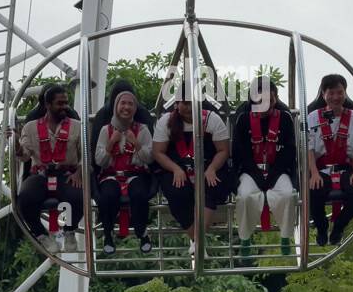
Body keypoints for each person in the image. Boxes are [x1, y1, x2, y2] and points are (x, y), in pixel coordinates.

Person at [152, 91, 231, 256]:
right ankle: (198, 242)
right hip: (176, 168)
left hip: (208, 166)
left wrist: (212, 168)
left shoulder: (212, 120)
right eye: (184, 103)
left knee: (212, 185)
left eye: (192, 102)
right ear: (177, 104)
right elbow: (158, 152)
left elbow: (223, 150)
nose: (188, 107)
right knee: (176, 192)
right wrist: (175, 169)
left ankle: (197, 241)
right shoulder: (166, 122)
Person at [232, 78, 297, 265]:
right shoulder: (244, 120)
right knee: (244, 196)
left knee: (287, 194)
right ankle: (245, 238)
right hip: (251, 170)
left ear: (275, 99)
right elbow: (239, 152)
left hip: (277, 169)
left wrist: (273, 175)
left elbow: (289, 150)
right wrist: (257, 175)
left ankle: (285, 237)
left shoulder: (284, 119)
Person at [15, 85, 84, 254]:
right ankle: (41, 235)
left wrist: (79, 173)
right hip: (41, 174)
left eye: (66, 103)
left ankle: (69, 231)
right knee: (24, 199)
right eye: (60, 103)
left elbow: (85, 155)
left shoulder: (77, 126)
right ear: (47, 105)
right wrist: (16, 143)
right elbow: (24, 156)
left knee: (78, 196)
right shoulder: (30, 128)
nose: (64, 107)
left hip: (67, 173)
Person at [306, 74, 353, 246]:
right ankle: (321, 227)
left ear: (345, 93)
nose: (336, 97)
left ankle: (339, 227)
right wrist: (313, 174)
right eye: (331, 93)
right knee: (313, 191)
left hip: (346, 167)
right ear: (324, 95)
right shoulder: (312, 118)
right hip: (321, 168)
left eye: (339, 92)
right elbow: (309, 149)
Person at [94, 90, 155, 255]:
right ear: (116, 106)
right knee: (107, 195)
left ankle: (142, 232)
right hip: (110, 174)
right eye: (123, 103)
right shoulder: (105, 131)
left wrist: (135, 143)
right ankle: (108, 233)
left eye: (131, 104)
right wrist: (111, 143)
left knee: (140, 194)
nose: (126, 107)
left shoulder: (142, 130)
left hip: (135, 173)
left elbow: (149, 158)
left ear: (135, 109)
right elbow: (99, 160)